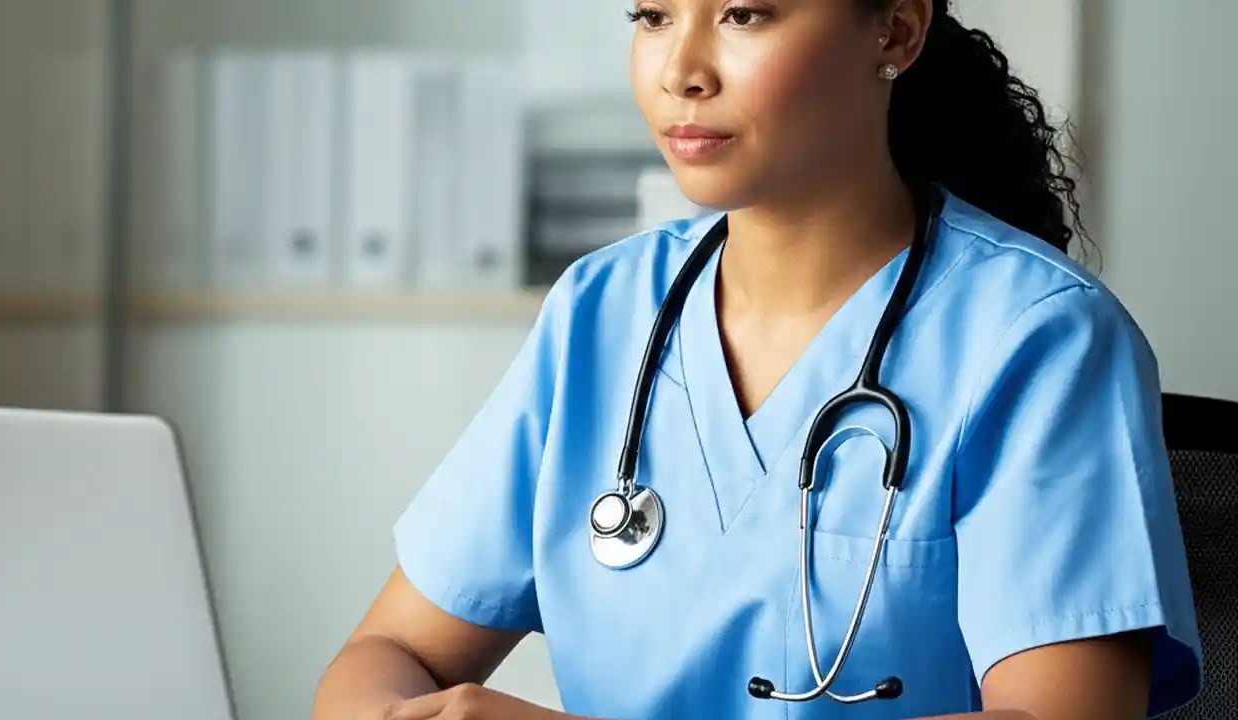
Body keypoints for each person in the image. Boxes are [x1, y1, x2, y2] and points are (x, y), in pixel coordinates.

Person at [312, 1, 1203, 718]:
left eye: (744, 15)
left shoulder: (1038, 338)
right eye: (652, 16)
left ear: (895, 31)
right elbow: (389, 653)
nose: (680, 71)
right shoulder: (600, 313)